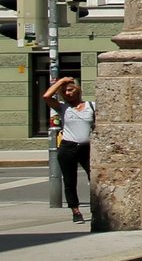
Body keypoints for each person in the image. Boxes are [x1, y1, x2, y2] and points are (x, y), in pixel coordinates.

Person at [42, 76, 93, 222]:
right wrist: (61, 82)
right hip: (68, 147)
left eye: (70, 90)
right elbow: (46, 96)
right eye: (64, 92)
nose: (68, 94)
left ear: (78, 90)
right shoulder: (62, 107)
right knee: (70, 181)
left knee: (95, 178)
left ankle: (96, 206)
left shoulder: (91, 106)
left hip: (87, 148)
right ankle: (75, 211)